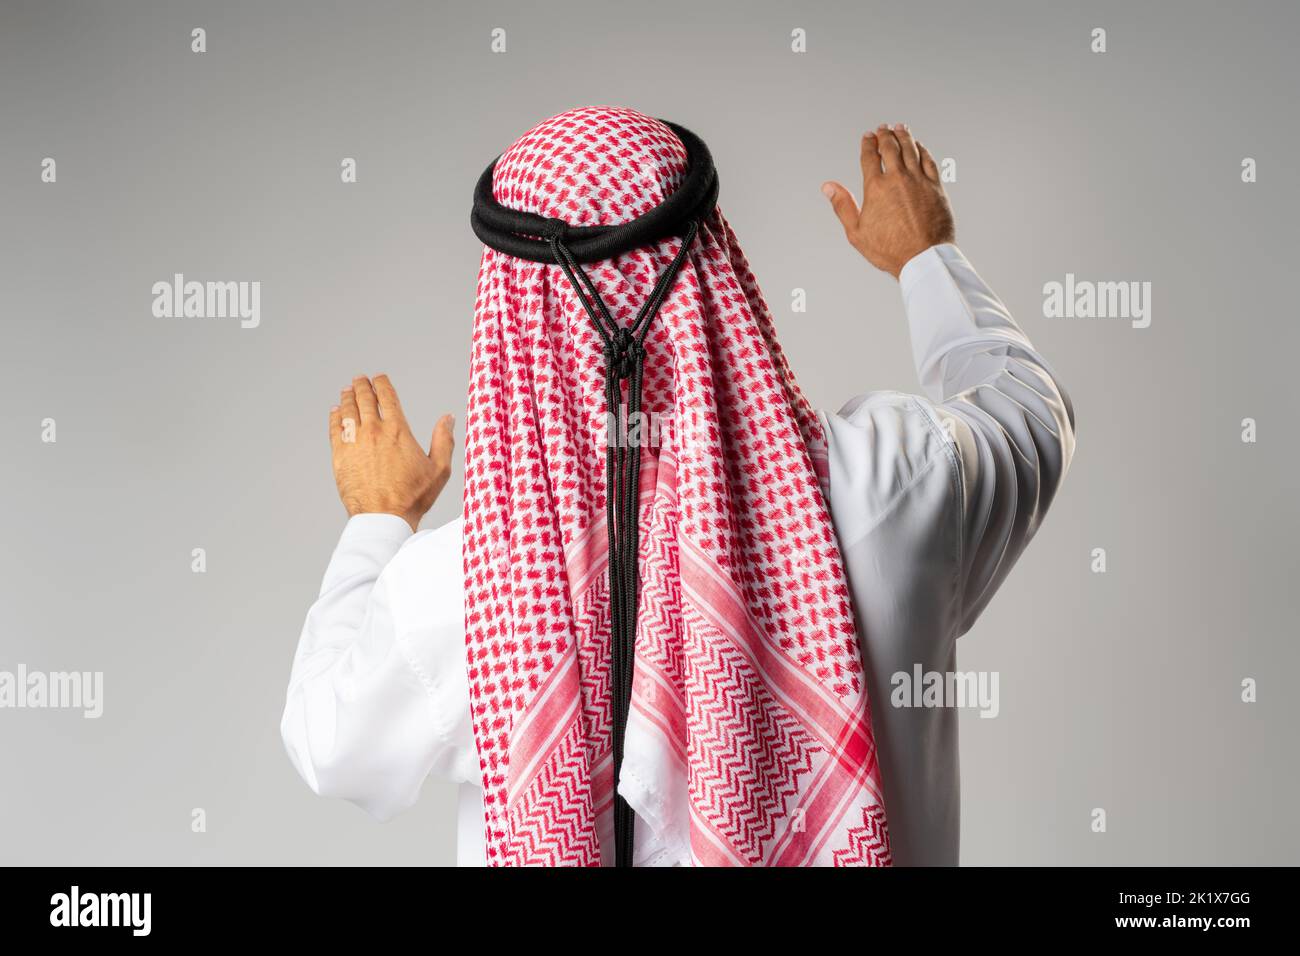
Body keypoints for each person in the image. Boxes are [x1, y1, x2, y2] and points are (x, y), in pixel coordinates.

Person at [280, 106, 1074, 867]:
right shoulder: (898, 480)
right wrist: (926, 258)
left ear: (510, 307)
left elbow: (327, 740)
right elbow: (1029, 415)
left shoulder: (470, 590)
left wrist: (379, 521)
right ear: (712, 256)